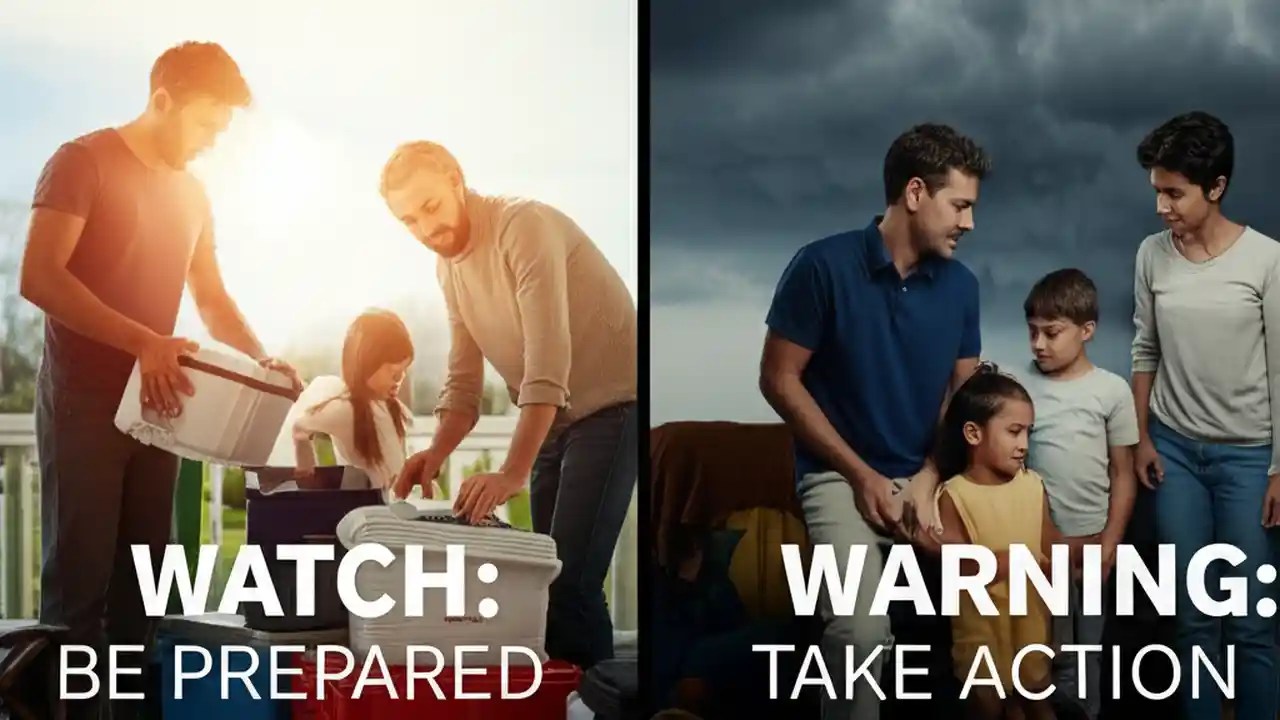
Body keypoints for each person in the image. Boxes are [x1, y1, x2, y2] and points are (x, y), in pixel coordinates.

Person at [19, 41, 299, 719]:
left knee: (143, 590)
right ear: (164, 99)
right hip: (84, 405)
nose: (210, 143)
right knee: (78, 595)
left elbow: (209, 296)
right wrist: (143, 339)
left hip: (165, 408)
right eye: (206, 123)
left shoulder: (193, 192)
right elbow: (39, 277)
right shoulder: (81, 162)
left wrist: (261, 358)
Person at [758, 122, 989, 720]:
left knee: (1001, 601)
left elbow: (964, 400)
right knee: (861, 633)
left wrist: (930, 478)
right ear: (915, 193)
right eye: (959, 206)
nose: (969, 223)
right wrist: (860, 476)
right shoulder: (820, 266)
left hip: (928, 478)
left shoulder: (963, 286)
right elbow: (778, 380)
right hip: (838, 478)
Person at [381, 140, 637, 670]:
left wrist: (510, 472)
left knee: (571, 581)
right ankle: (571, 699)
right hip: (556, 421)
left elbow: (548, 362)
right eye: (409, 221)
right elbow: (463, 381)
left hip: (616, 406)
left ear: (456, 179)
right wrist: (436, 453)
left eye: (430, 207)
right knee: (549, 579)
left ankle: (596, 705)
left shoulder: (523, 226)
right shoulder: (448, 268)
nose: (426, 230)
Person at [1130, 111, 1280, 720]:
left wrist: (1279, 468)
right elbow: (1145, 348)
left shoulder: (1267, 260)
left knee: (1251, 620)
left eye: (1175, 193)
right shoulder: (1151, 255)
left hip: (1249, 457)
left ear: (1215, 187)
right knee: (1193, 619)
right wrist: (1141, 439)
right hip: (1173, 451)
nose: (1162, 205)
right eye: (1156, 191)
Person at [1015, 268, 1139, 719]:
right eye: (1032, 332)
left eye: (1051, 333)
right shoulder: (1019, 387)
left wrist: (1108, 545)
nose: (1038, 344)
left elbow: (1123, 473)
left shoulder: (1111, 391)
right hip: (1038, 547)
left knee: (1088, 649)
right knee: (1047, 650)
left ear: (1086, 330)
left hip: (1091, 545)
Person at [933, 364, 1065, 720]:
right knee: (990, 708)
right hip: (979, 628)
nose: (1023, 444)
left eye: (1028, 433)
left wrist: (1077, 558)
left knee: (1035, 701)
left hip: (1030, 621)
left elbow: (1050, 550)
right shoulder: (954, 495)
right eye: (1013, 432)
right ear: (973, 434)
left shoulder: (1033, 485)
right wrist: (1016, 560)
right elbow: (958, 566)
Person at [287, 309, 415, 490]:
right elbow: (300, 427)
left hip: (390, 505)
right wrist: (306, 465)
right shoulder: (346, 410)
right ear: (366, 364)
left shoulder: (388, 406)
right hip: (362, 508)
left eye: (403, 372)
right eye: (393, 374)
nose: (399, 380)